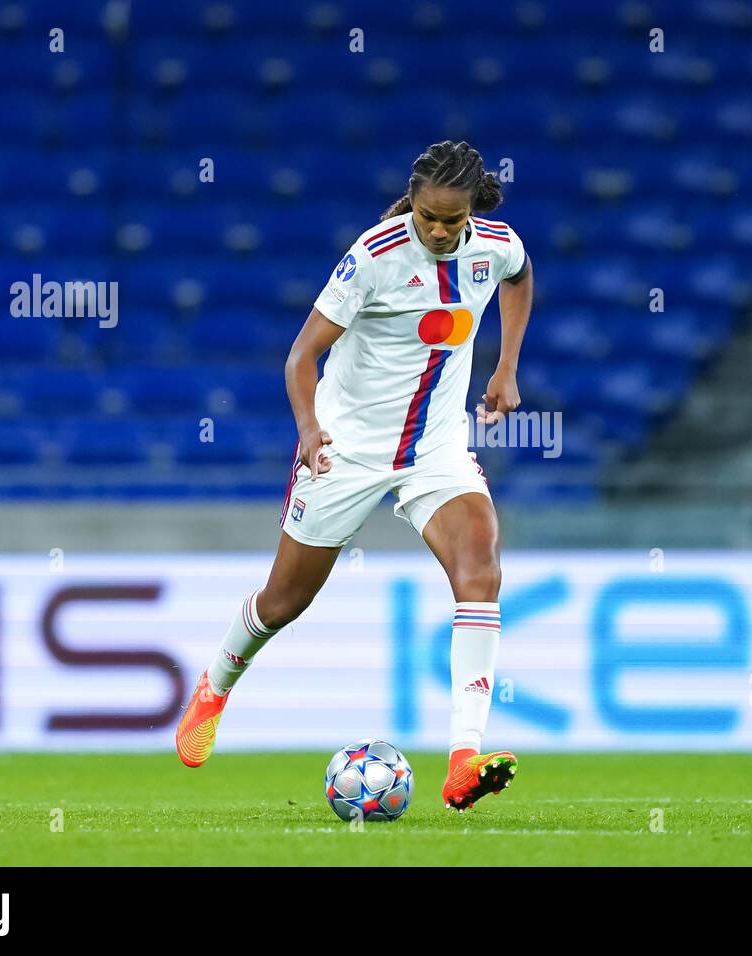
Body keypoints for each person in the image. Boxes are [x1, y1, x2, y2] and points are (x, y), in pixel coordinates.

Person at [175, 140, 534, 812]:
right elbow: (300, 356)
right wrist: (310, 430)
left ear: (469, 214)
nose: (436, 230)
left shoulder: (494, 245)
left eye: (449, 221)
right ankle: (215, 685)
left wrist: (506, 366)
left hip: (434, 449)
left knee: (480, 568)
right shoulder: (373, 257)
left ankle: (463, 758)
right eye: (427, 216)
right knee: (284, 601)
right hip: (345, 449)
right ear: (414, 205)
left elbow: (518, 275)